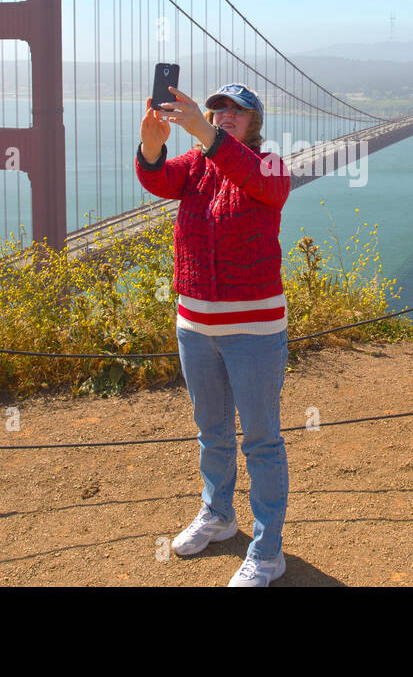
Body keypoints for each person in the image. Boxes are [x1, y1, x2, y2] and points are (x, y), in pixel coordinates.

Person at [134, 81, 292, 587]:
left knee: (262, 441)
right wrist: (153, 145)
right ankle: (218, 516)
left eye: (235, 111)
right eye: (216, 109)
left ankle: (268, 552)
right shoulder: (195, 166)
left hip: (254, 329)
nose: (224, 115)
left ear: (253, 122)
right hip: (195, 327)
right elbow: (157, 181)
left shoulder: (270, 167)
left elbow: (248, 175)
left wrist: (204, 131)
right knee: (213, 432)